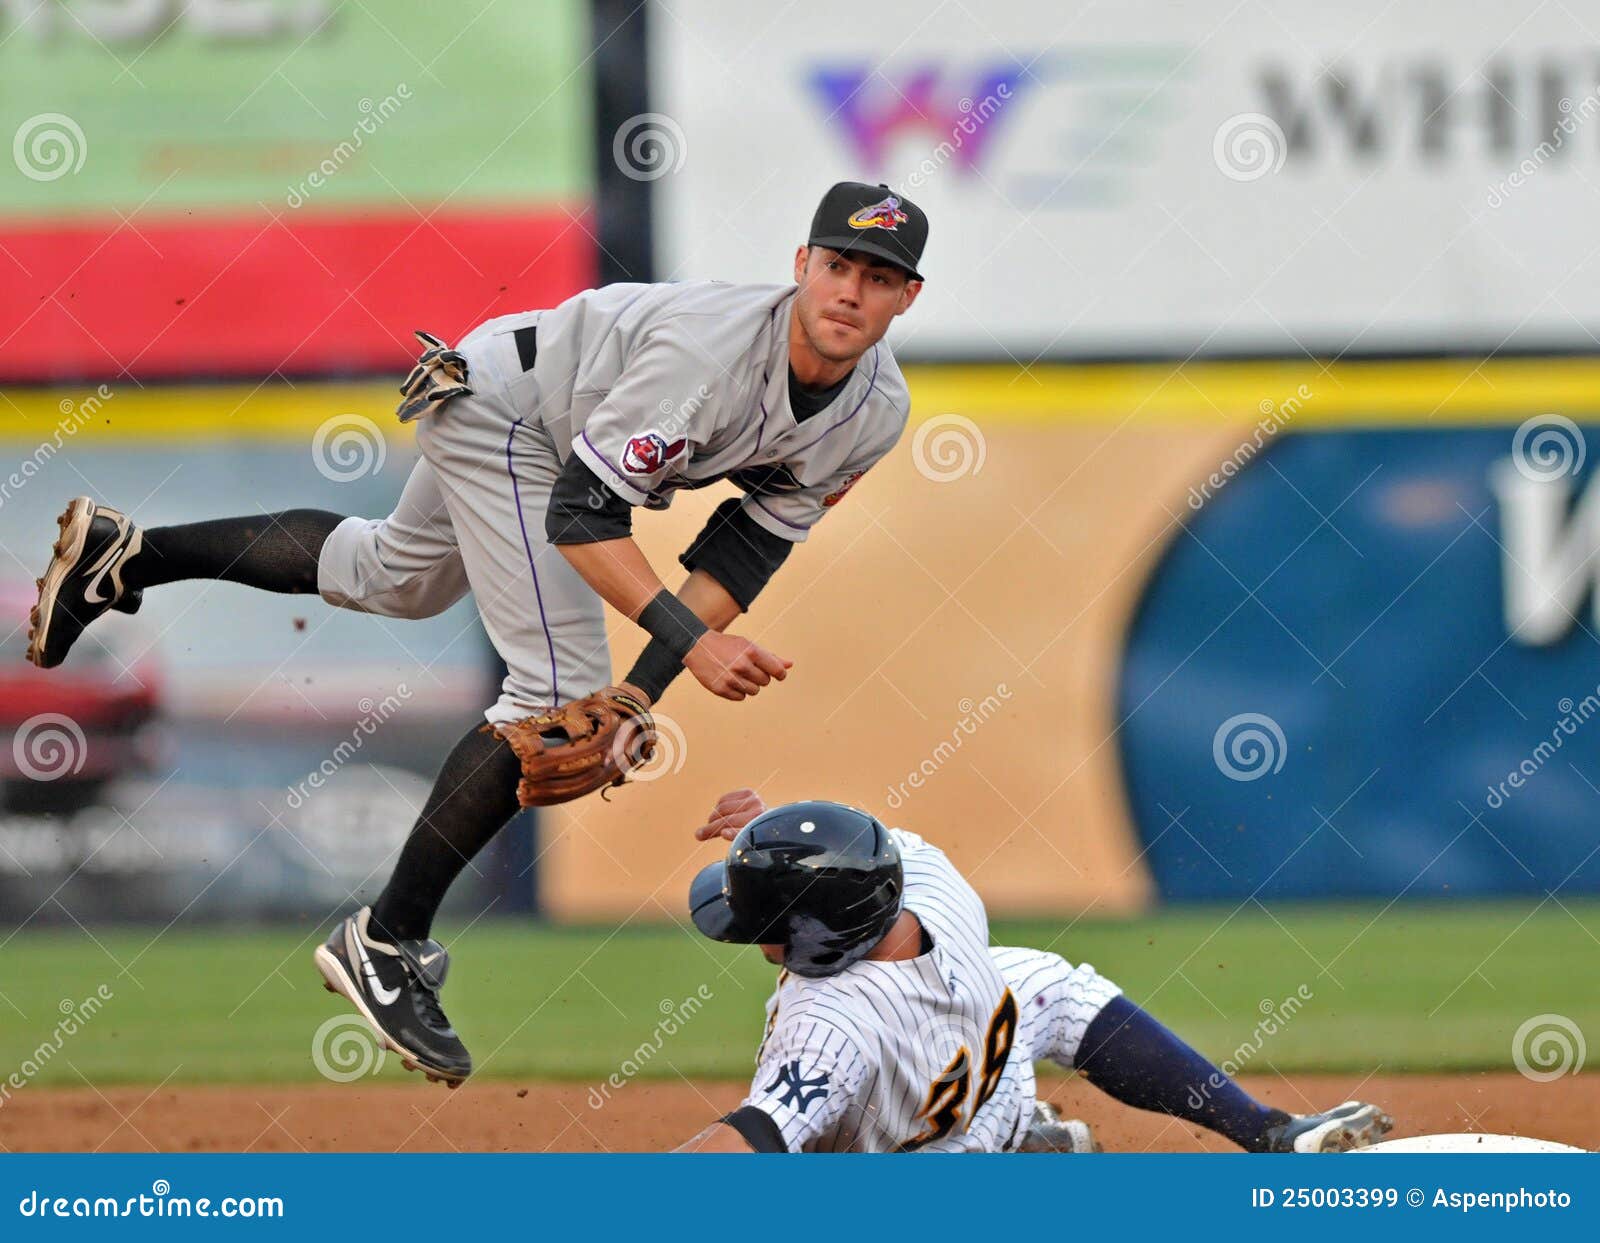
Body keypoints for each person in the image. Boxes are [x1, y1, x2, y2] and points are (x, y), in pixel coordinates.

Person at [24, 182, 928, 1087]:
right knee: (556, 703)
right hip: (512, 413)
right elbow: (582, 514)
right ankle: (388, 938)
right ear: (801, 265)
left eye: (878, 276)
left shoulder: (875, 412)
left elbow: (743, 550)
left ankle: (125, 554)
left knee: (394, 576)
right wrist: (683, 649)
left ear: (907, 298)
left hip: (515, 399)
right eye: (838, 264)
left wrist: (640, 692)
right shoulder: (714, 351)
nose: (850, 291)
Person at [675, 789, 1393, 1153]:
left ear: (820, 940)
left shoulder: (829, 1027)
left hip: (909, 1166)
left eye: (766, 927)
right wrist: (770, 837)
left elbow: (750, 1138)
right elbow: (846, 852)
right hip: (986, 1082)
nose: (754, 937)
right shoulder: (929, 883)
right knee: (1045, 983)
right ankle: (1270, 1132)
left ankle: (1022, 1161)